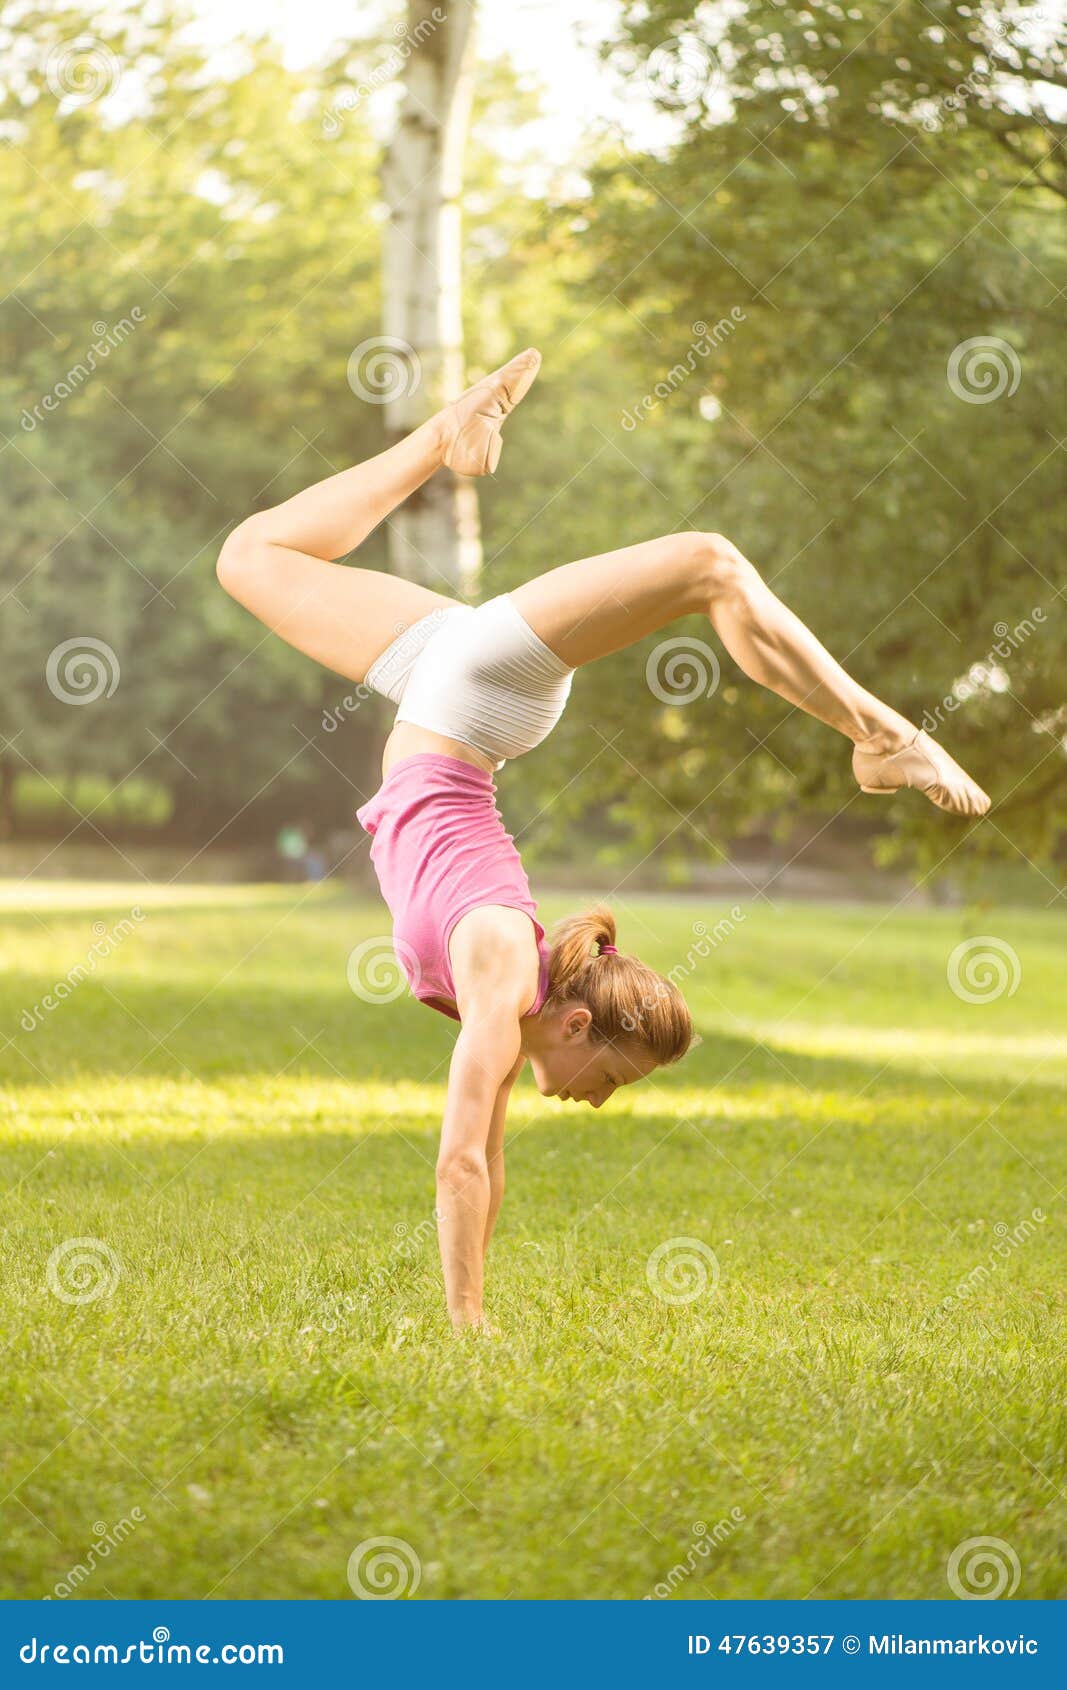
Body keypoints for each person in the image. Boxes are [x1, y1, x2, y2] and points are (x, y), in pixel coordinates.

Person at [216, 348, 989, 1327]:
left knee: (249, 555)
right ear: (577, 1027)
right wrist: (466, 1325)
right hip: (470, 697)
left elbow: (481, 1151)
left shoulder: (508, 990)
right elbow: (460, 1158)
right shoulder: (502, 962)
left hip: (445, 696)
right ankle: (879, 735)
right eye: (613, 1077)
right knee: (710, 562)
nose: (601, 1098)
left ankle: (445, 437)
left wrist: (475, 1312)